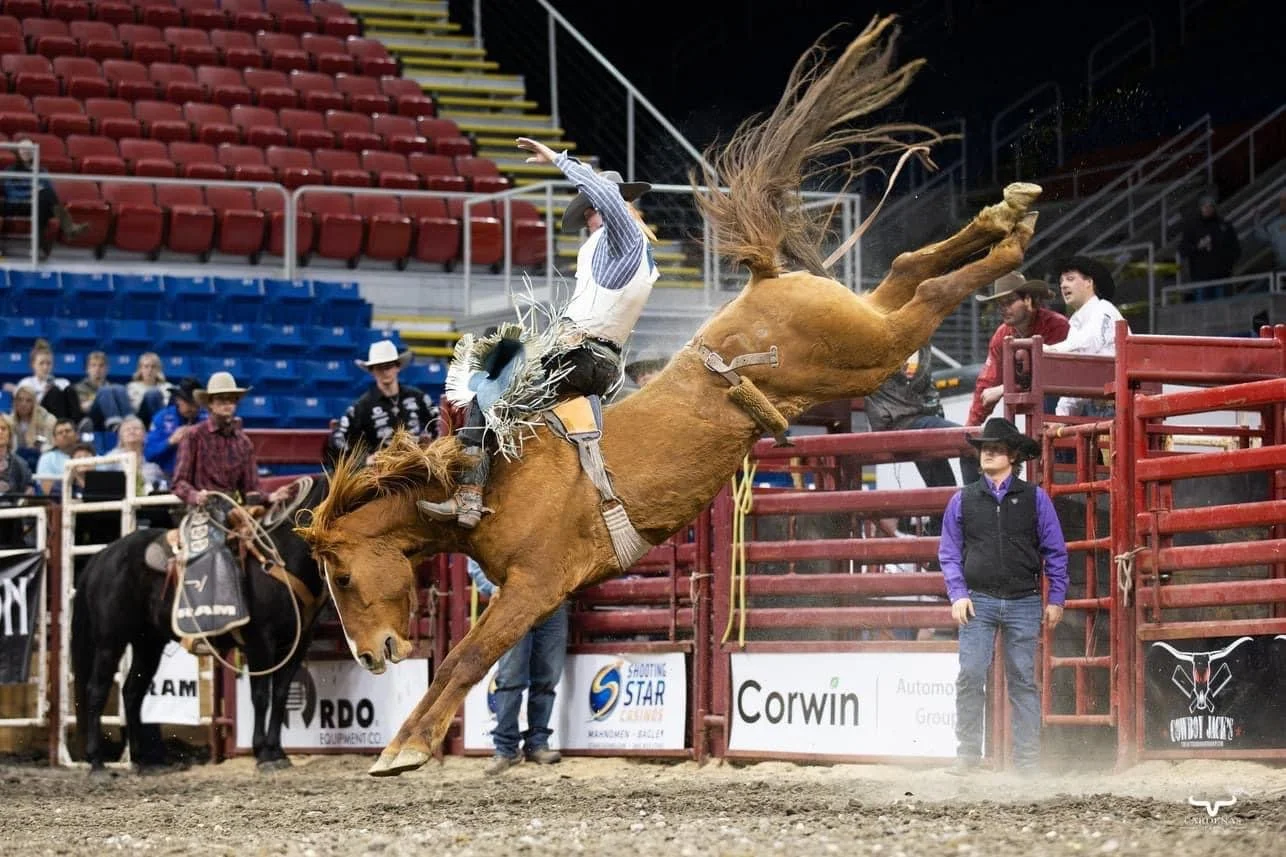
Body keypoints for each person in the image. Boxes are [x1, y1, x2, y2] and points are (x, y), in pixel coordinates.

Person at [420, 136, 659, 527]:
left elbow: (604, 192)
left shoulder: (624, 238)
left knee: (486, 388)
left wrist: (555, 158)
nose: (587, 222)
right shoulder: (640, 257)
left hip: (578, 357)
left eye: (589, 214)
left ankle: (468, 496)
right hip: (601, 366)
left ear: (605, 208)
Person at [938, 417, 1067, 775]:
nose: (988, 452)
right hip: (978, 600)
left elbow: (1055, 550)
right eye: (984, 447)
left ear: (1013, 454)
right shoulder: (962, 500)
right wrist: (958, 594)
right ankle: (967, 756)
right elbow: (949, 552)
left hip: (1024, 601)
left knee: (1022, 679)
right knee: (971, 674)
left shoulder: (1035, 498)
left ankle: (1026, 763)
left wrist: (1056, 597)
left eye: (996, 447)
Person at [467, 557, 569, 775]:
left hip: (552, 599)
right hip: (515, 601)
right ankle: (508, 748)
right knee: (511, 677)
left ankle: (531, 744)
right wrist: (495, 588)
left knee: (547, 676)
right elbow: (475, 559)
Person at [865, 345, 979, 493]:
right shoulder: (883, 339)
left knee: (948, 450)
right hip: (896, 419)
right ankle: (974, 505)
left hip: (918, 418)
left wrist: (934, 413)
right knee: (969, 440)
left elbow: (927, 385)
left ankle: (946, 511)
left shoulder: (922, 345)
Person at [171, 372, 287, 512]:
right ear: (210, 404)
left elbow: (251, 489)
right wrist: (195, 496)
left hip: (232, 510)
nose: (227, 404)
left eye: (231, 399)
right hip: (200, 510)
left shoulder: (243, 442)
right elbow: (179, 483)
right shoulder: (194, 436)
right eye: (221, 399)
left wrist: (270, 497)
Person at [967, 272, 1070, 427]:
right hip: (1041, 415)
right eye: (1000, 304)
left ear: (1028, 300)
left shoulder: (1056, 326)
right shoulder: (1001, 335)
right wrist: (969, 428)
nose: (1003, 309)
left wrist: (1005, 388)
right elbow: (987, 382)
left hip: (1066, 409)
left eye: (1009, 301)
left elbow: (1054, 375)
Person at [327, 340, 438, 466]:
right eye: (379, 367)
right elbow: (337, 438)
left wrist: (432, 445)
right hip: (381, 471)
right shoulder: (362, 406)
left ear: (398, 366)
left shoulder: (418, 397)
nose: (385, 371)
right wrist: (363, 461)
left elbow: (439, 422)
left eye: (389, 366)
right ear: (372, 370)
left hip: (418, 465)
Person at [1045, 256, 1127, 418]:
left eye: (1070, 279)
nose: (1063, 285)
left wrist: (1051, 350)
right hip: (1097, 404)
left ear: (1089, 282)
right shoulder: (1076, 324)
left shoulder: (1104, 310)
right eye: (1061, 281)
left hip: (1118, 404)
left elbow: (1089, 345)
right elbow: (1076, 375)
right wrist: (1061, 416)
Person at [0, 141, 88, 255]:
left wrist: (38, 193)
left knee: (46, 197)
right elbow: (11, 192)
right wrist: (31, 192)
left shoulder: (41, 171)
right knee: (45, 199)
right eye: (23, 149)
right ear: (18, 152)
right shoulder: (10, 170)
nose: (26, 152)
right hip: (15, 203)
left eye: (29, 150)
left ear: (34, 152)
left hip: (36, 203)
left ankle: (39, 246)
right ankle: (65, 229)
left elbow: (48, 189)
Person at [144, 377, 207, 480]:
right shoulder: (161, 418)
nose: (193, 408)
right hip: (167, 475)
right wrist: (170, 441)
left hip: (201, 476)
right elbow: (149, 454)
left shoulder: (207, 419)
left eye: (196, 404)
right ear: (178, 400)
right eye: (188, 403)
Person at [1179, 193, 1241, 296]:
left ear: (1214, 207)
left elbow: (1236, 249)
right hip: (1201, 277)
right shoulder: (1192, 227)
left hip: (1221, 276)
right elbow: (1183, 250)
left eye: (1210, 206)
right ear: (1200, 208)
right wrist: (1198, 247)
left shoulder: (1224, 226)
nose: (1207, 209)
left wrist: (1227, 265)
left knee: (1221, 306)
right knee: (1203, 307)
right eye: (1204, 206)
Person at [11, 339, 83, 424]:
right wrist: (44, 395)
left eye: (48, 363)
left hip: (65, 417)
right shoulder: (26, 383)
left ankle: (75, 427)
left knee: (69, 390)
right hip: (39, 419)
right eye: (41, 363)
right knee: (54, 391)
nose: (45, 367)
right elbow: (22, 410)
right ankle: (58, 428)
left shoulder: (63, 382)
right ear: (33, 365)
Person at [74, 351, 136, 431]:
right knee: (105, 391)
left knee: (120, 388)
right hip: (92, 420)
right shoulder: (79, 387)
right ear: (87, 369)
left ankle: (131, 424)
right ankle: (116, 426)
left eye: (101, 366)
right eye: (93, 365)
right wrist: (102, 400)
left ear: (107, 369)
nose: (97, 369)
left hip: (113, 418)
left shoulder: (114, 389)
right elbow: (82, 408)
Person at [106, 416, 166, 495]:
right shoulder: (112, 456)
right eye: (127, 430)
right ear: (120, 436)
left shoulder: (154, 454)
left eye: (136, 428)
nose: (132, 431)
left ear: (145, 434)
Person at [8, 385, 56, 465]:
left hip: (41, 459)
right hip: (16, 460)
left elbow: (52, 445)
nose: (23, 404)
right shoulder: (9, 421)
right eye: (20, 400)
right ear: (15, 402)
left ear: (34, 403)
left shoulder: (47, 420)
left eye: (28, 400)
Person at [34, 419, 80, 496]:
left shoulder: (87, 454)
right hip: (58, 502)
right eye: (60, 433)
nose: (64, 434)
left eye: (68, 431)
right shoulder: (47, 458)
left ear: (77, 435)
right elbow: (47, 489)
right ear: (55, 440)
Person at [127, 352, 168, 427]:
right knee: (152, 393)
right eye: (146, 366)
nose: (150, 370)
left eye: (153, 367)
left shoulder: (167, 387)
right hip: (140, 421)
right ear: (140, 369)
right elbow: (133, 409)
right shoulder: (131, 387)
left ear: (158, 369)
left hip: (162, 419)